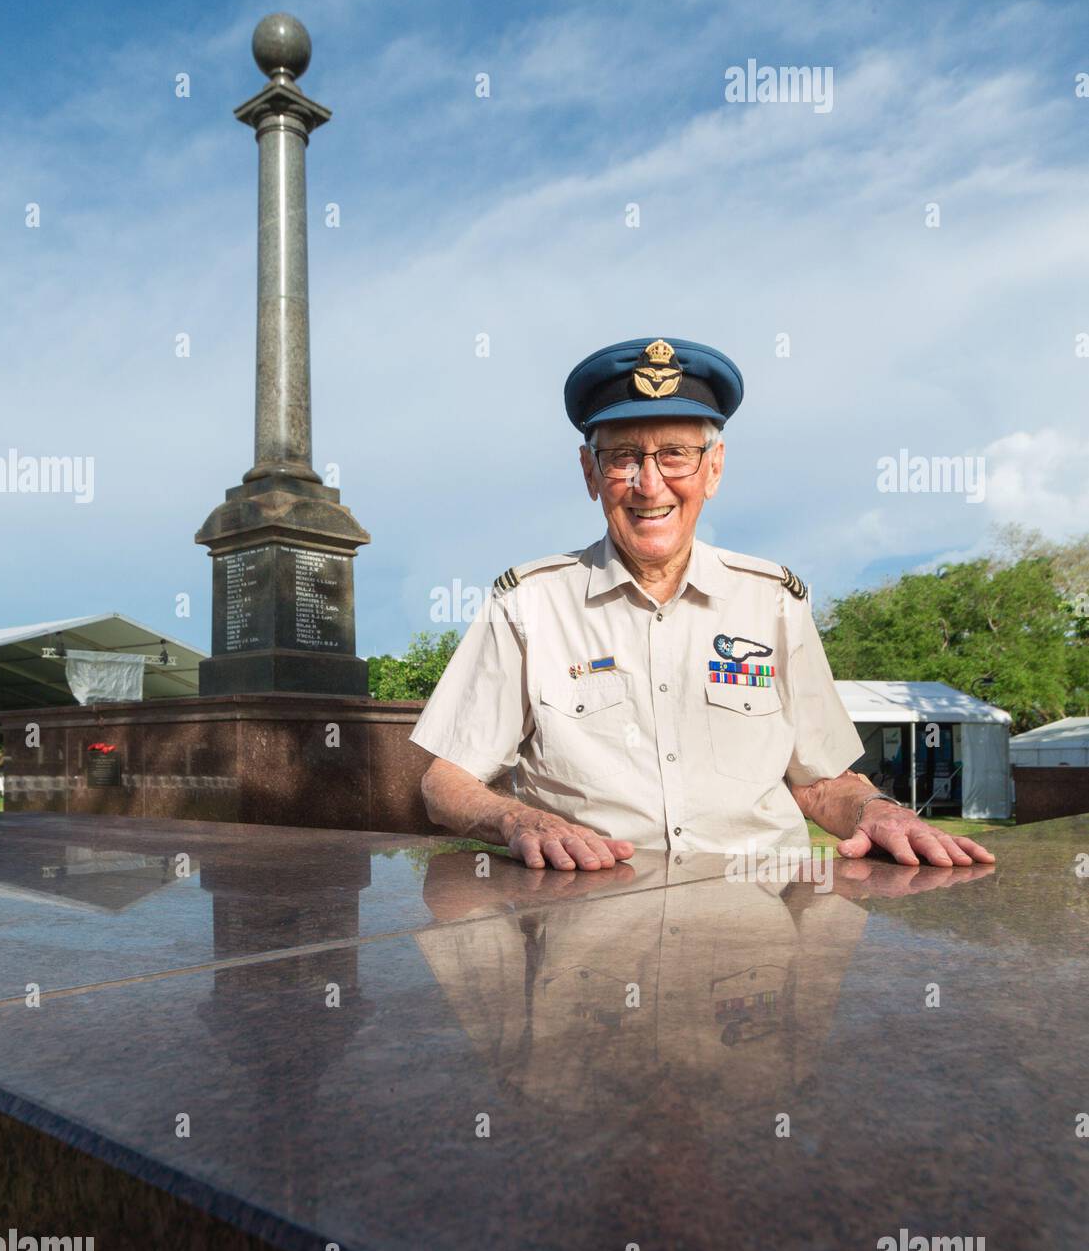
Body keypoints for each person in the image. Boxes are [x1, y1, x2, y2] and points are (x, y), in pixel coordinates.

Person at [410, 337, 996, 874]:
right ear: (590, 472)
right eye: (623, 457)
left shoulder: (773, 601)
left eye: (675, 454)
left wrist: (879, 811)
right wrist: (521, 820)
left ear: (713, 469)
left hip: (760, 941)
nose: (649, 483)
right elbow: (445, 782)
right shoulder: (527, 603)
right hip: (589, 925)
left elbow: (820, 782)